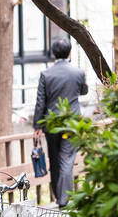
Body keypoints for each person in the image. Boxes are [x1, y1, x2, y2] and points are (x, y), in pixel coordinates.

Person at [31, 37, 87, 208]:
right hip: (71, 123)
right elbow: (83, 91)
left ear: (53, 53)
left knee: (54, 160)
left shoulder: (46, 74)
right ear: (70, 52)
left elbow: (41, 101)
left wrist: (37, 126)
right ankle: (64, 198)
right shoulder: (78, 73)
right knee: (67, 160)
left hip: (51, 123)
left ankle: (59, 196)